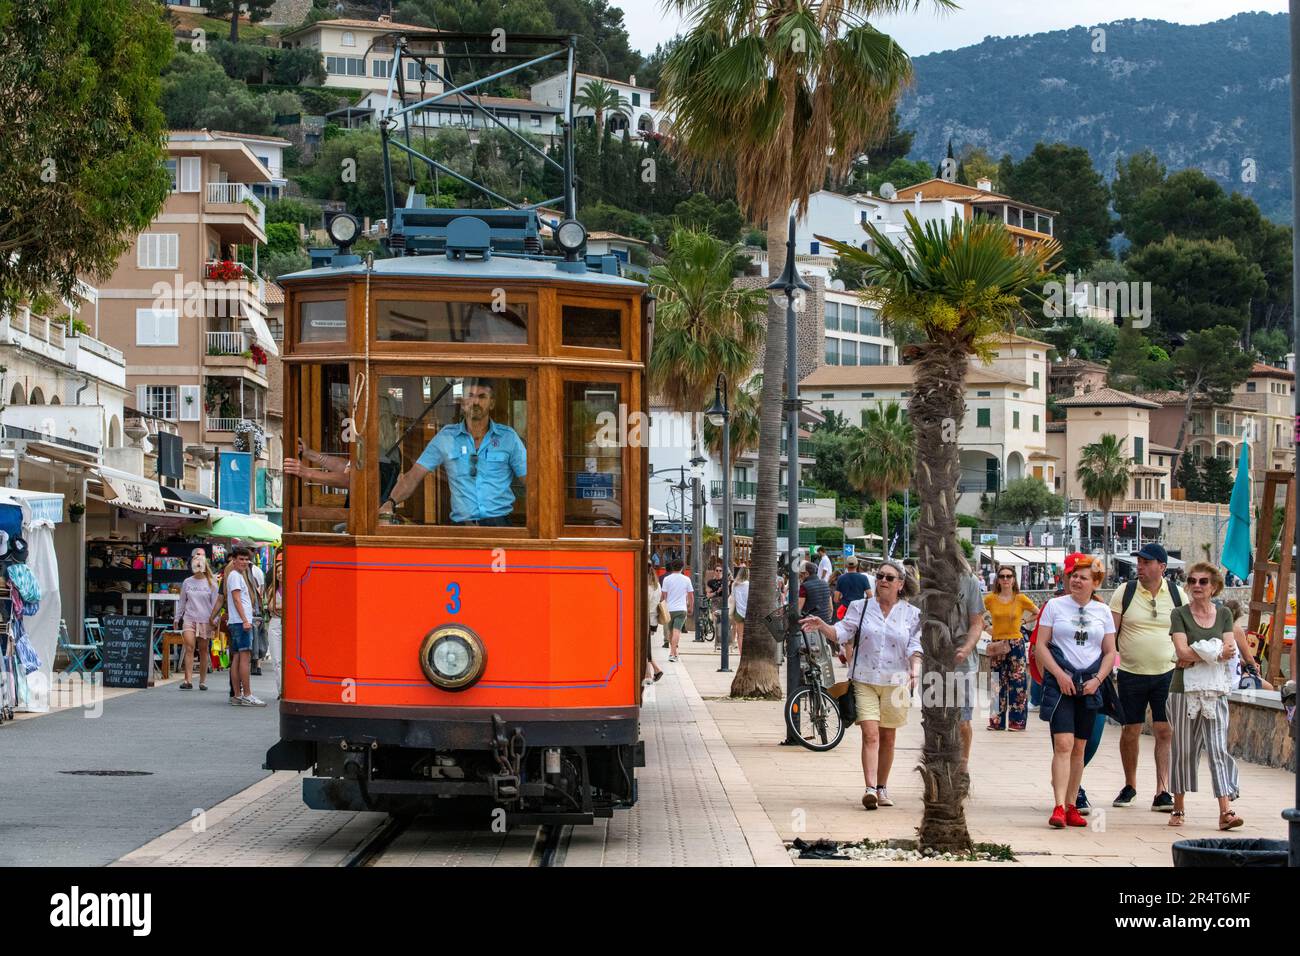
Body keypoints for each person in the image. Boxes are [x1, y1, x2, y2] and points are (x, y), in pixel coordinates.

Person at [801, 559, 921, 810]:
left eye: (889, 578)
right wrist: (822, 626)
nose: (883, 581)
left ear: (900, 584)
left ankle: (882, 787)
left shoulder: (911, 613)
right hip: (865, 678)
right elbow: (842, 633)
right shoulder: (860, 607)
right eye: (879, 577)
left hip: (896, 681)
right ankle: (869, 789)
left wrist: (915, 670)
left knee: (888, 737)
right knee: (870, 733)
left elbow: (915, 646)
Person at [1035, 552, 1120, 829]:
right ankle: (1058, 805)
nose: (1076, 581)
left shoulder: (1103, 611)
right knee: (1063, 743)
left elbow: (1110, 651)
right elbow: (1041, 646)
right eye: (1073, 576)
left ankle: (1072, 803)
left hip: (1090, 685)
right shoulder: (1054, 607)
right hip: (1061, 683)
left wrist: (1098, 679)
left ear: (1095, 582)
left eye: (1083, 577)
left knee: (1080, 747)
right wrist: (1058, 674)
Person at [379, 378, 526, 526]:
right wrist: (390, 503)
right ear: (462, 403)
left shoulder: (508, 437)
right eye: (470, 396)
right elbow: (413, 475)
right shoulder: (446, 437)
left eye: (482, 397)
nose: (475, 402)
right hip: (462, 528)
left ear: (492, 403)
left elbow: (531, 481)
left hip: (500, 526)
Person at [1108, 543, 1185, 813]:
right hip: (1131, 672)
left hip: (1167, 672)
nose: (1139, 566)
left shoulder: (1177, 595)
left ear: (1161, 567)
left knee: (1164, 731)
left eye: (1146, 561)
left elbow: (1188, 629)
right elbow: (1110, 632)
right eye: (1139, 561)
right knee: (1131, 730)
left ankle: (1162, 790)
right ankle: (1130, 785)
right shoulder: (1124, 592)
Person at [1168, 562, 1242, 830]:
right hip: (1182, 691)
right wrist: (1212, 654)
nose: (1197, 586)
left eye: (1203, 582)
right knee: (1184, 749)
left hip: (1215, 691)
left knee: (1217, 748)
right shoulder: (1179, 614)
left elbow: (1229, 650)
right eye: (1192, 580)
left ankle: (1226, 811)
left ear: (1214, 587)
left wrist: (1195, 654)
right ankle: (1178, 807)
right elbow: (1181, 652)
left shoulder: (1223, 614)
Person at [984, 564, 1038, 731]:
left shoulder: (1020, 599)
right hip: (998, 644)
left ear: (1014, 579)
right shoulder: (990, 599)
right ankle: (996, 721)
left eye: (1009, 576)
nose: (1006, 579)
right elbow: (976, 615)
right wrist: (987, 628)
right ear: (998, 580)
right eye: (1002, 576)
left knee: (1018, 683)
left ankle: (1017, 722)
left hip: (1015, 643)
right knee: (996, 682)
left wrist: (1023, 622)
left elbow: (1038, 612)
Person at [952, 558, 987, 766]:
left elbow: (977, 623)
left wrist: (966, 648)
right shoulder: (928, 580)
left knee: (963, 721)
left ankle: (962, 767)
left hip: (963, 664)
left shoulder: (969, 581)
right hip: (935, 663)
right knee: (935, 719)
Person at [222, 547, 265, 707]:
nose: (244, 562)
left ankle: (238, 695)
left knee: (238, 658)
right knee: (245, 658)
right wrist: (246, 620)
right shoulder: (235, 576)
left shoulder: (236, 575)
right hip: (240, 622)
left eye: (247, 559)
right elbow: (237, 599)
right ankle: (246, 694)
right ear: (234, 560)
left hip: (237, 621)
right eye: (241, 559)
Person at [173, 552, 218, 691]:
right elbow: (182, 601)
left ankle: (202, 681)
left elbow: (216, 603)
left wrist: (215, 621)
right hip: (189, 618)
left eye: (200, 562)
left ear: (205, 565)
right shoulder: (187, 582)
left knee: (203, 650)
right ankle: (188, 680)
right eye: (195, 561)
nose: (198, 564)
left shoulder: (212, 582)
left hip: (206, 620)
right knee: (190, 647)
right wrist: (177, 617)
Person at [797, 560, 835, 686]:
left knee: (807, 654)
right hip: (825, 625)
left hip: (810, 625)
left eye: (801, 575)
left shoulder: (804, 587)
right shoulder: (824, 584)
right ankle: (826, 683)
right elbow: (830, 607)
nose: (800, 577)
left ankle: (807, 684)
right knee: (823, 654)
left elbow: (799, 608)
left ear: (806, 574)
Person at [660, 559, 693, 663]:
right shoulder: (686, 579)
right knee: (677, 631)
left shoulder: (667, 579)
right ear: (682, 567)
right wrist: (691, 607)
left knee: (671, 632)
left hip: (670, 609)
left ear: (672, 567)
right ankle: (673, 653)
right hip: (681, 609)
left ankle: (672, 653)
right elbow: (690, 595)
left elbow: (664, 596)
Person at [247, 553, 267, 677]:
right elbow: (262, 590)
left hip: (255, 611)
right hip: (256, 610)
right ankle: (257, 665)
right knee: (257, 637)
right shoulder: (258, 572)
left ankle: (256, 664)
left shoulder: (254, 574)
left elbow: (261, 591)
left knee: (256, 637)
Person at [644, 563, 664, 684]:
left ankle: (655, 670)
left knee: (645, 648)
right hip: (653, 620)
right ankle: (649, 673)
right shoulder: (656, 585)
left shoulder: (648, 586)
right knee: (645, 647)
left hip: (647, 619)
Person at [730, 566, 749, 655]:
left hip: (738, 611)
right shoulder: (749, 584)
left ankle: (742, 653)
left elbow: (733, 597)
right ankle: (747, 652)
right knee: (747, 634)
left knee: (740, 634)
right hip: (748, 611)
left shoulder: (734, 584)